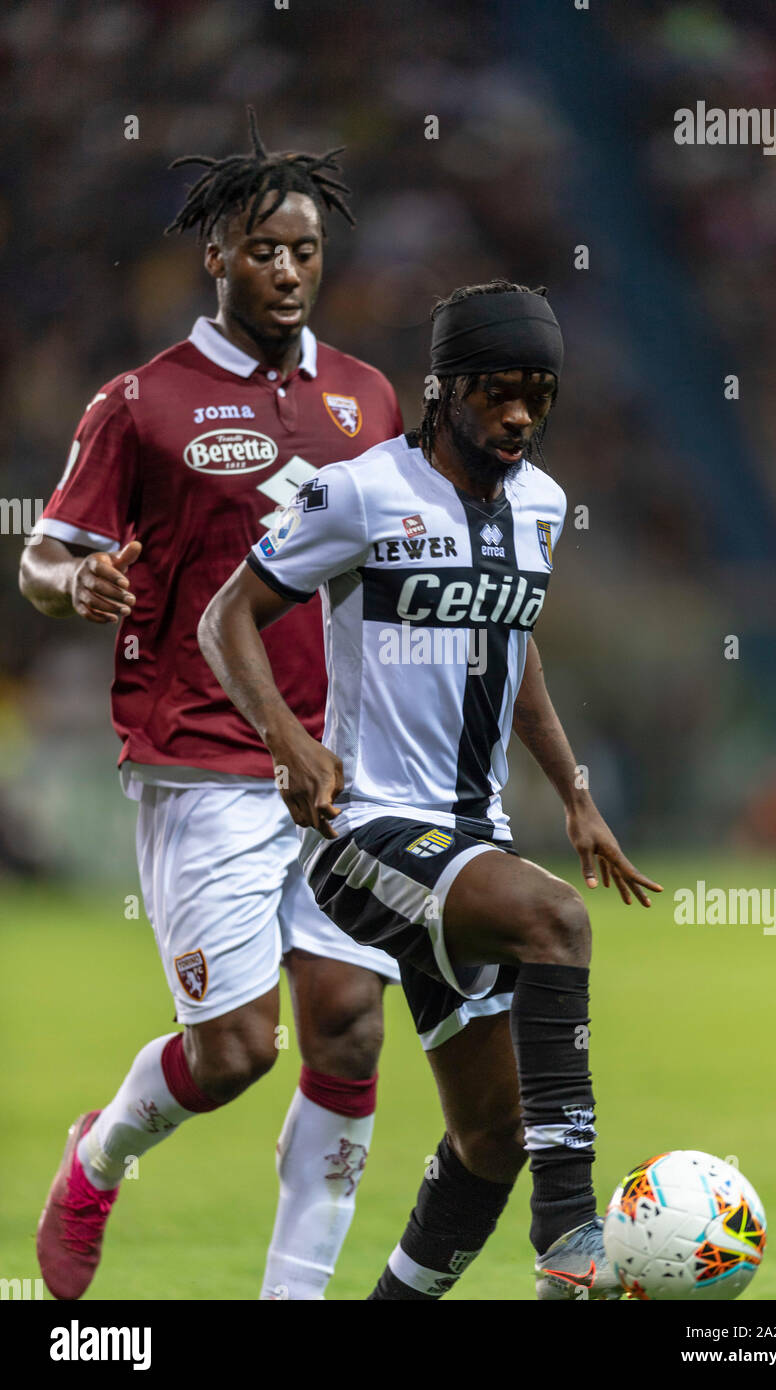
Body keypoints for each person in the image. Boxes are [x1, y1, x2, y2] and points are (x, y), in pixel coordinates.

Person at [199, 279, 663, 1300]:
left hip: (468, 841)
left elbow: (512, 648)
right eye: (498, 392)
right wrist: (286, 740)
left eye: (537, 395)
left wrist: (575, 791)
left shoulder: (539, 505)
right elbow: (225, 616)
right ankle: (570, 1229)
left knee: (489, 1136)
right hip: (364, 836)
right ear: (443, 389)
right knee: (554, 920)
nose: (518, 415)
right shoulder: (357, 490)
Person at [19, 110, 403, 1302]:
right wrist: (72, 580)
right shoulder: (142, 402)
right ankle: (100, 1157)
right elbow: (40, 555)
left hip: (345, 770)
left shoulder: (367, 400)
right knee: (236, 1051)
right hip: (203, 759)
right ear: (216, 258)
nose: (285, 270)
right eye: (261, 249)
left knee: (346, 1033)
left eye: (303, 250)